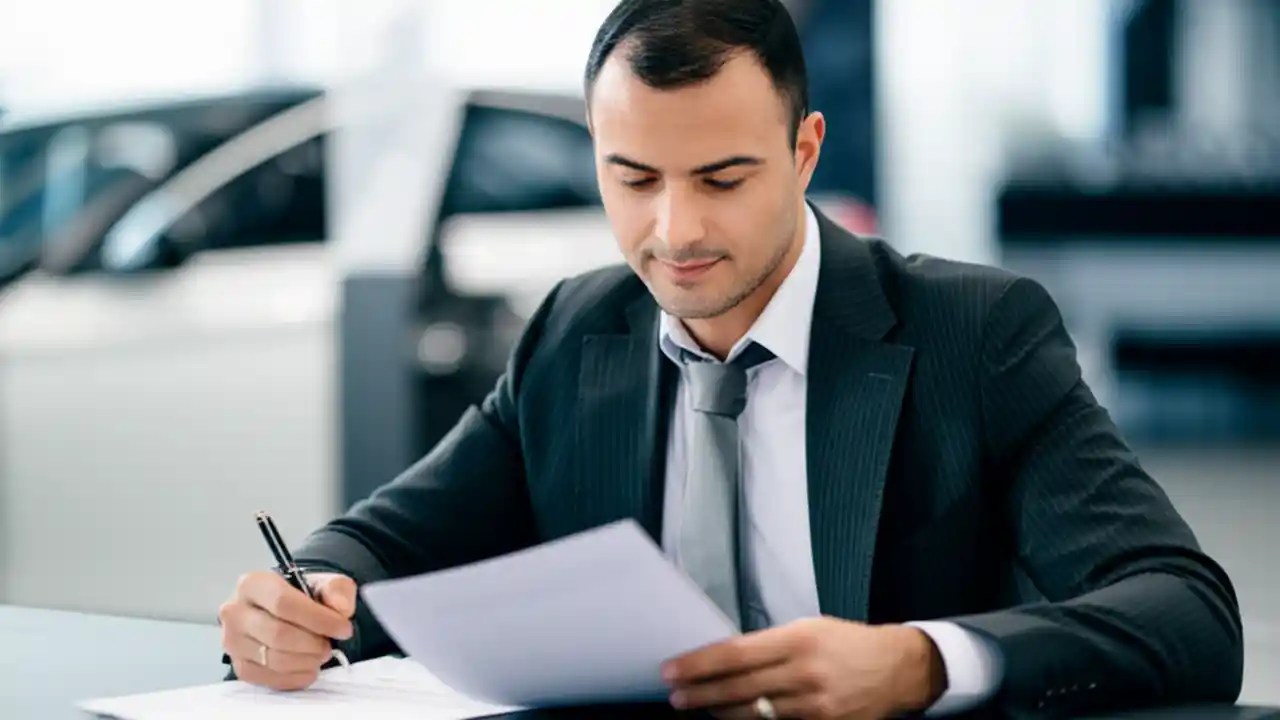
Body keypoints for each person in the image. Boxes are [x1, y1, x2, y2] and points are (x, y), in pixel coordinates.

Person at [217, 1, 1244, 717]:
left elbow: (1184, 612)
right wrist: (300, 600)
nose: (673, 230)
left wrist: (922, 663)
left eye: (721, 178)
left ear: (803, 153)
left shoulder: (972, 331)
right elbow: (378, 543)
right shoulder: (577, 333)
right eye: (632, 178)